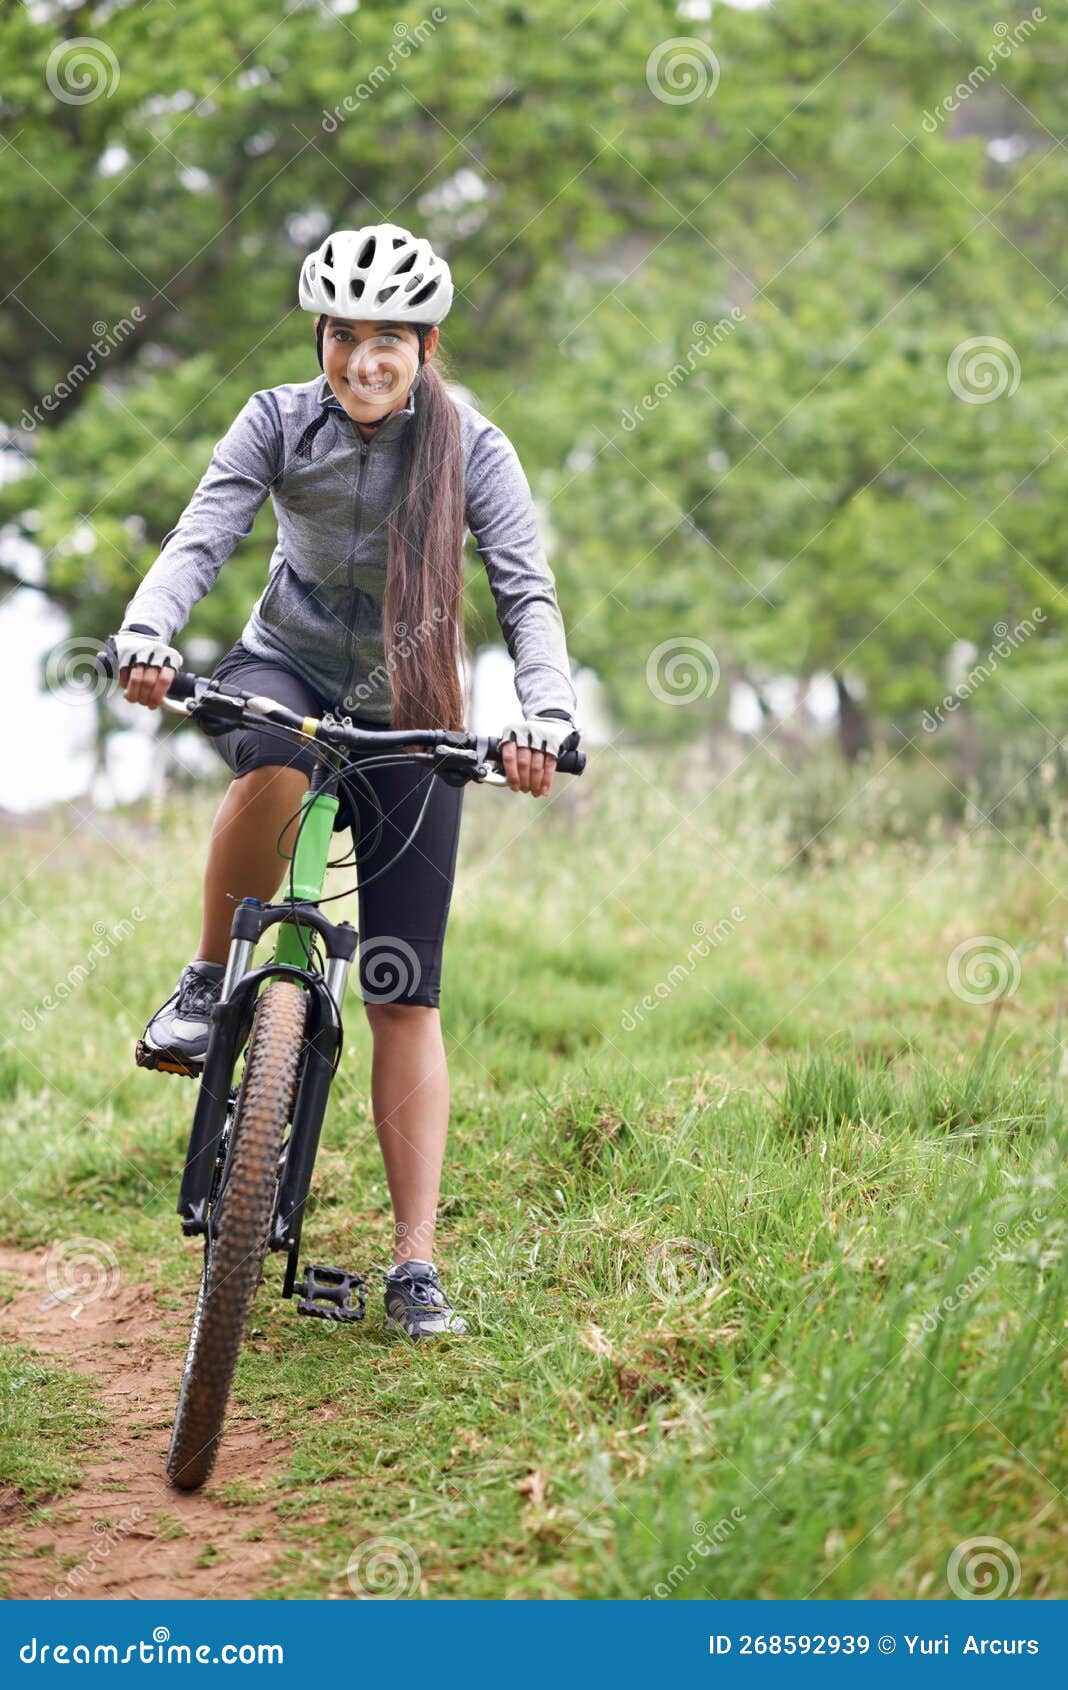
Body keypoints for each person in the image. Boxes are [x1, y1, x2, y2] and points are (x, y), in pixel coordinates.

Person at [110, 223, 579, 1341]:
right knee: (271, 757)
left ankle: (416, 1264)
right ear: (320, 334)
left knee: (403, 995)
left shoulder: (478, 452)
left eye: (390, 342)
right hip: (289, 665)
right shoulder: (275, 419)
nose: (364, 361)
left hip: (417, 710)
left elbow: (526, 595)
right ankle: (203, 976)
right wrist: (144, 634)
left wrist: (546, 716)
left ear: (428, 345)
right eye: (344, 336)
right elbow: (200, 538)